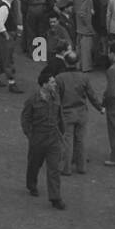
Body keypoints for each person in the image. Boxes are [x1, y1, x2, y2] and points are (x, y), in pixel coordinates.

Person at [22, 71, 66, 210]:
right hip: (38, 138)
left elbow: (60, 116)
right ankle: (31, 184)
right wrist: (31, 136)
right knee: (34, 164)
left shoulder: (56, 97)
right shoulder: (32, 100)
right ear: (44, 84)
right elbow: (25, 119)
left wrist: (61, 133)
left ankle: (55, 197)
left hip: (53, 137)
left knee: (54, 168)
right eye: (52, 82)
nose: (55, 84)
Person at [54, 60, 102, 176]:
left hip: (67, 113)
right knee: (81, 140)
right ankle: (82, 167)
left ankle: (66, 168)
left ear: (66, 63)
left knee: (67, 141)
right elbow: (92, 95)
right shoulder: (84, 77)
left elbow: (56, 99)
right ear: (77, 63)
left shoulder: (59, 78)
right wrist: (100, 107)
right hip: (81, 113)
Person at [0, 0, 23, 94]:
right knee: (7, 59)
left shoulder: (2, 5)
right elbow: (0, 23)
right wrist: (6, 35)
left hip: (3, 36)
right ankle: (12, 82)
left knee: (1, 56)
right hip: (6, 35)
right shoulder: (5, 7)